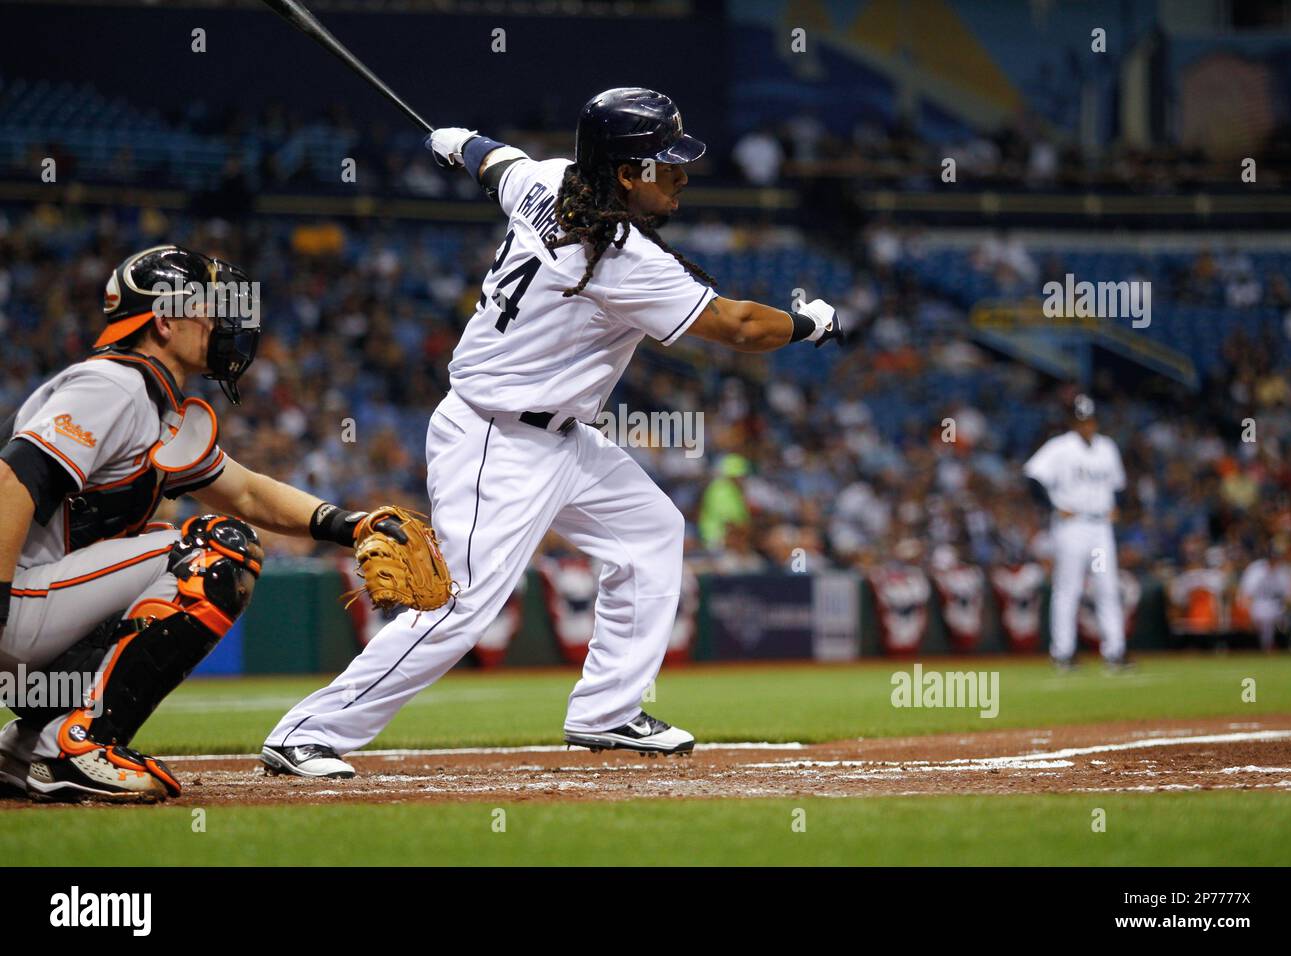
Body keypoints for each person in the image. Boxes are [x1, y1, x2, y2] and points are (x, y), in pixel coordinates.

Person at [261, 87, 843, 778]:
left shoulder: (549, 180)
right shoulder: (621, 255)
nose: (681, 176)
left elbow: (498, 164)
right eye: (665, 165)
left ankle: (609, 710)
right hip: (495, 441)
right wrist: (811, 323)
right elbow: (740, 326)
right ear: (625, 174)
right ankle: (307, 732)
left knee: (651, 532)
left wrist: (462, 143)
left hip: (560, 436)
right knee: (460, 605)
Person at [0, 245, 401, 802]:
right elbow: (13, 479)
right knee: (219, 550)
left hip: (38, 622)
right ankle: (79, 745)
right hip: (14, 609)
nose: (216, 321)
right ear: (164, 322)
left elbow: (247, 490)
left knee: (197, 540)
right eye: (204, 307)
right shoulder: (114, 385)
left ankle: (29, 746)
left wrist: (347, 525)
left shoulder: (154, 404)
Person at [1023, 394, 1130, 670]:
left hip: (1100, 528)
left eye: (1091, 420)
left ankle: (1115, 652)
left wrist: (1117, 505)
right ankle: (1063, 653)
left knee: (1107, 587)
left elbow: (1119, 485)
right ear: (1073, 422)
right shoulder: (1060, 447)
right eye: (1081, 420)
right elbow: (1032, 478)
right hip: (1072, 527)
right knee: (1067, 588)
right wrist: (1053, 507)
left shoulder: (1107, 447)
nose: (1087, 425)